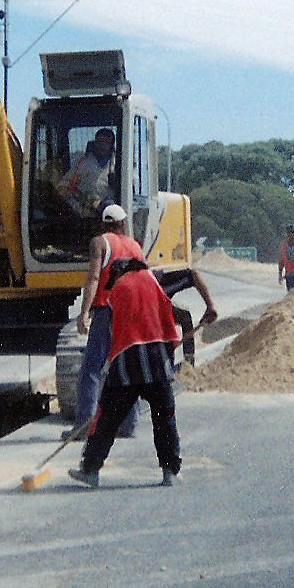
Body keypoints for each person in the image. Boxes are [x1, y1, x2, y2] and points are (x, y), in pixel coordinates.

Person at [66, 209, 218, 441]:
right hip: (131, 313)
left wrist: (84, 312)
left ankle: (84, 428)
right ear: (123, 224)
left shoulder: (100, 243)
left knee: (91, 369)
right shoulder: (135, 246)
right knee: (127, 367)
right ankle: (129, 425)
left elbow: (95, 277)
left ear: (103, 224)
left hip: (106, 309)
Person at [68, 220, 185, 489]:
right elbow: (190, 280)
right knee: (165, 419)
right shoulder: (154, 280)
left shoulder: (115, 291)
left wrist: (109, 363)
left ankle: (90, 470)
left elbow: (114, 335)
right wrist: (209, 308)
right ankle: (170, 472)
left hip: (127, 367)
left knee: (106, 420)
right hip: (157, 364)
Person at [61, 128, 116, 214]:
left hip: (112, 211)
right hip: (86, 210)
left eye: (106, 143)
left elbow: (131, 187)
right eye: (100, 142)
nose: (103, 146)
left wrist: (117, 183)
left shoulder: (119, 163)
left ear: (111, 145)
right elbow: (65, 184)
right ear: (95, 143)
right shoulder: (83, 162)